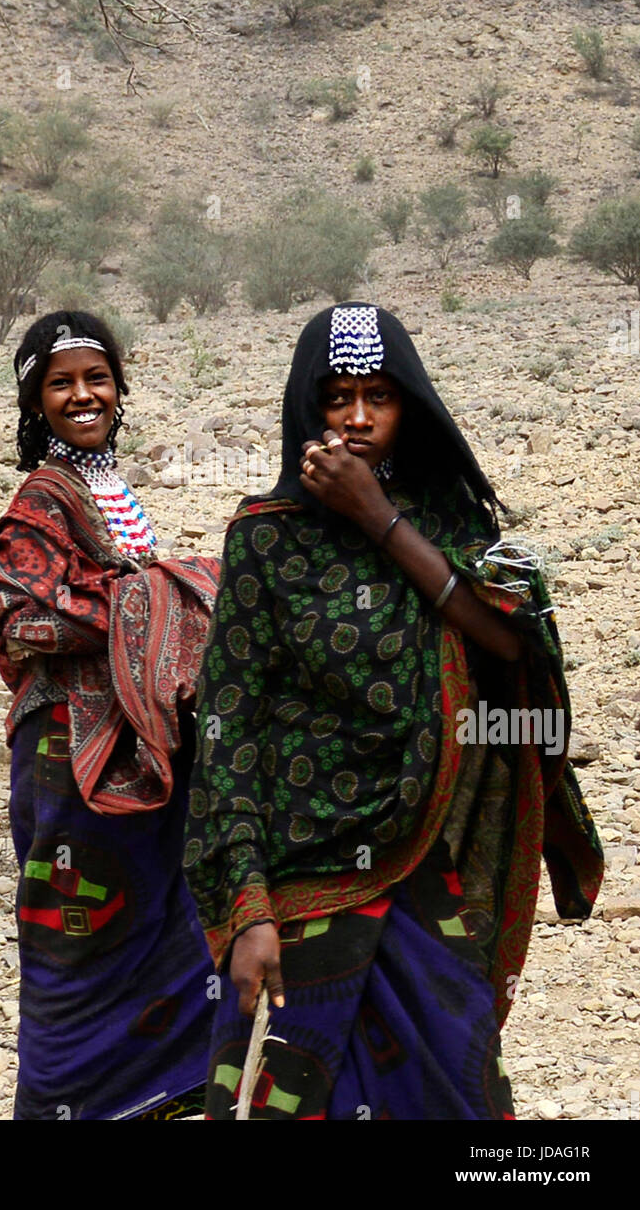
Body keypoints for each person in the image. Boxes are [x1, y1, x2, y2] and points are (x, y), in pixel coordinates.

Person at [183, 302, 603, 1120]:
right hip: (305, 875)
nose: (358, 417)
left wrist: (378, 517)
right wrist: (248, 906)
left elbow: (516, 643)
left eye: (379, 395)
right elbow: (228, 730)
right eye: (336, 398)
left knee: (455, 1080)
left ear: (410, 404)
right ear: (308, 411)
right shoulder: (266, 540)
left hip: (428, 862)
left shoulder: (451, 525)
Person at [0, 309, 219, 1120]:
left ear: (119, 388)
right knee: (75, 932)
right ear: (33, 401)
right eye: (61, 383)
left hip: (132, 740)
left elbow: (113, 592)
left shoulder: (104, 486)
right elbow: (22, 617)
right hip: (68, 754)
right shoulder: (39, 502)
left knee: (156, 915)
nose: (83, 395)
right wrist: (161, 592)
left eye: (96, 378)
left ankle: (150, 1090)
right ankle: (61, 1102)